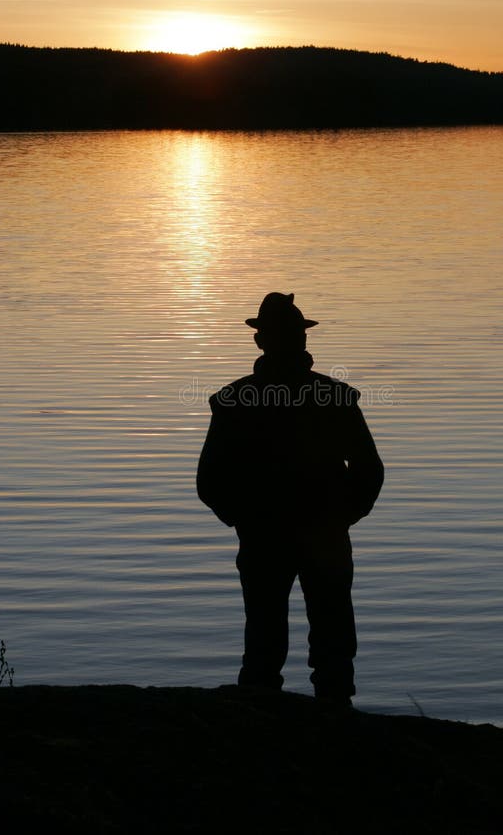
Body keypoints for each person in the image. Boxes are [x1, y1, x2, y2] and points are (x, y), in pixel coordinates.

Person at [196, 293, 384, 703]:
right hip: (316, 532)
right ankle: (334, 718)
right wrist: (341, 517)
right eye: (293, 334)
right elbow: (369, 472)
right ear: (299, 341)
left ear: (259, 342)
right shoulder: (334, 397)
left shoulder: (233, 400)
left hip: (270, 534)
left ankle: (263, 720)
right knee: (328, 637)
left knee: (266, 637)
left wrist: (245, 519)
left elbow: (210, 481)